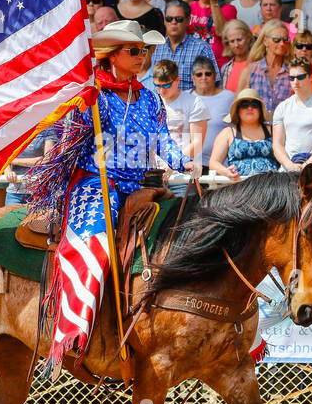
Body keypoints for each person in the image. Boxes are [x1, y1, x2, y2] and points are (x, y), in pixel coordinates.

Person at [26, 19, 194, 373]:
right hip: (94, 185)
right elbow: (65, 135)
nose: (142, 56)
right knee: (95, 247)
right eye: (134, 50)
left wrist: (183, 162)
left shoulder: (149, 97)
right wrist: (85, 110)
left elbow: (162, 138)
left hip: (141, 185)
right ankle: (71, 333)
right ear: (112, 56)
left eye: (144, 50)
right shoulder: (91, 95)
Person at [272, 56, 312, 176]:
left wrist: (306, 167)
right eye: (292, 78)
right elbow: (277, 144)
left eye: (300, 77)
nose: (295, 82)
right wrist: (289, 166)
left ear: (311, 77)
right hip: (288, 174)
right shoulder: (282, 107)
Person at [209, 88, 278, 180]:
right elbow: (213, 163)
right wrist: (226, 172)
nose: (250, 108)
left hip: (270, 187)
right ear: (237, 110)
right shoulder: (228, 133)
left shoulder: (273, 130)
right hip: (240, 189)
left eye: (254, 105)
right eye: (244, 105)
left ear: (260, 110)